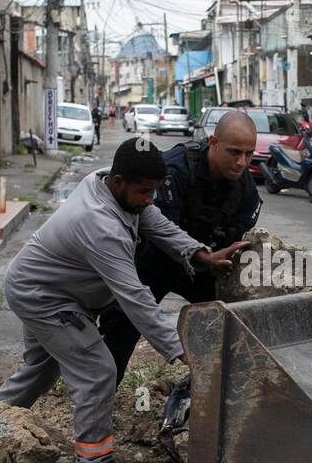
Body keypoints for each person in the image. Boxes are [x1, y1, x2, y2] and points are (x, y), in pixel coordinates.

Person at [0, 138, 247, 463]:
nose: (150, 199)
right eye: (143, 191)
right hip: (46, 298)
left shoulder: (108, 185)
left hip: (46, 287)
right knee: (97, 371)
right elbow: (136, 300)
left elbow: (155, 221)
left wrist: (201, 255)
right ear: (119, 182)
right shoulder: (99, 225)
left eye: (154, 191)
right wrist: (182, 351)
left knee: (39, 372)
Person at [100, 111, 262, 384]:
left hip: (204, 268)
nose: (241, 162)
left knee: (233, 325)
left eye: (249, 154)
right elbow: (161, 234)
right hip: (155, 262)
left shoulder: (246, 190)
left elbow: (239, 238)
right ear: (213, 142)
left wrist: (220, 261)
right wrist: (204, 256)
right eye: (234, 152)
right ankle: (101, 400)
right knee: (122, 322)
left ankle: (211, 395)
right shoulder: (174, 170)